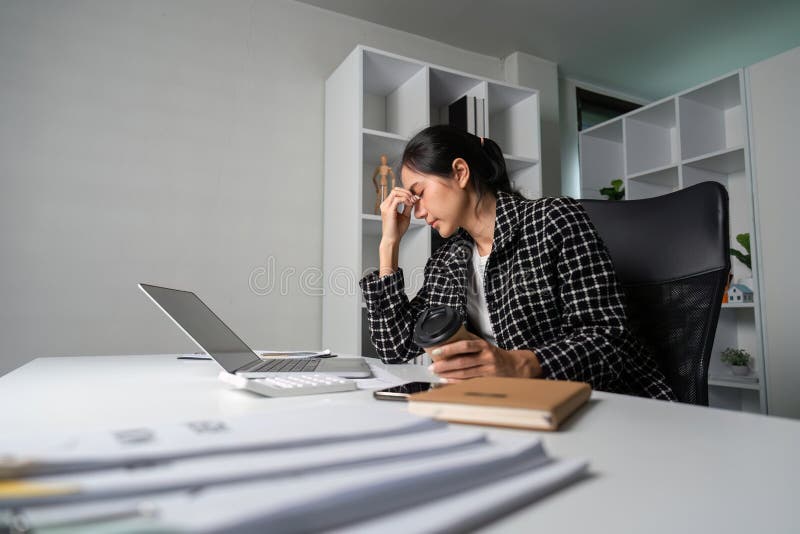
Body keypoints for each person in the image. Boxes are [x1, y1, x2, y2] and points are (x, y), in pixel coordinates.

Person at [358, 124, 675, 400]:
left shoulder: (552, 220)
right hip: (514, 405)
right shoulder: (447, 259)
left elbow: (609, 341)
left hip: (605, 404)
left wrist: (518, 364)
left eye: (420, 193)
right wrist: (389, 246)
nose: (418, 211)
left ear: (460, 172)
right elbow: (394, 347)